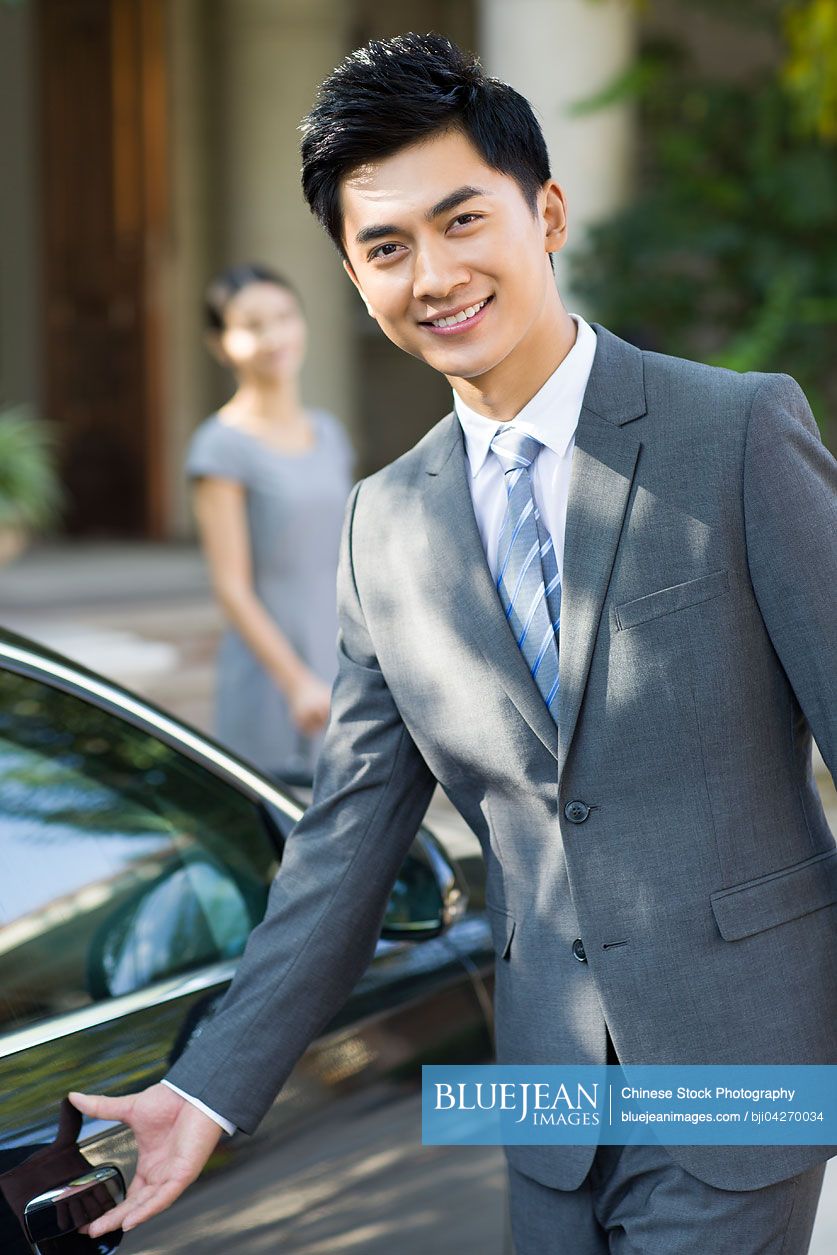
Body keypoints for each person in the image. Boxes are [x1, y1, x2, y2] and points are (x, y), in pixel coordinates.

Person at [71, 33, 836, 1253]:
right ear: (354, 280)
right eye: (386, 248)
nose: (433, 274)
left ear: (546, 211)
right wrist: (207, 1085)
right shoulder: (385, 522)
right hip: (546, 1101)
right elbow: (346, 842)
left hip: (746, 1071)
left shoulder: (736, 434)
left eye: (462, 219)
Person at [186, 263, 354, 784]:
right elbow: (231, 589)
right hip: (273, 680)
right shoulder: (221, 446)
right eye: (252, 325)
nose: (273, 336)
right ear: (220, 344)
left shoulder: (329, 433)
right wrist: (295, 681)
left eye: (283, 317)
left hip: (340, 662)